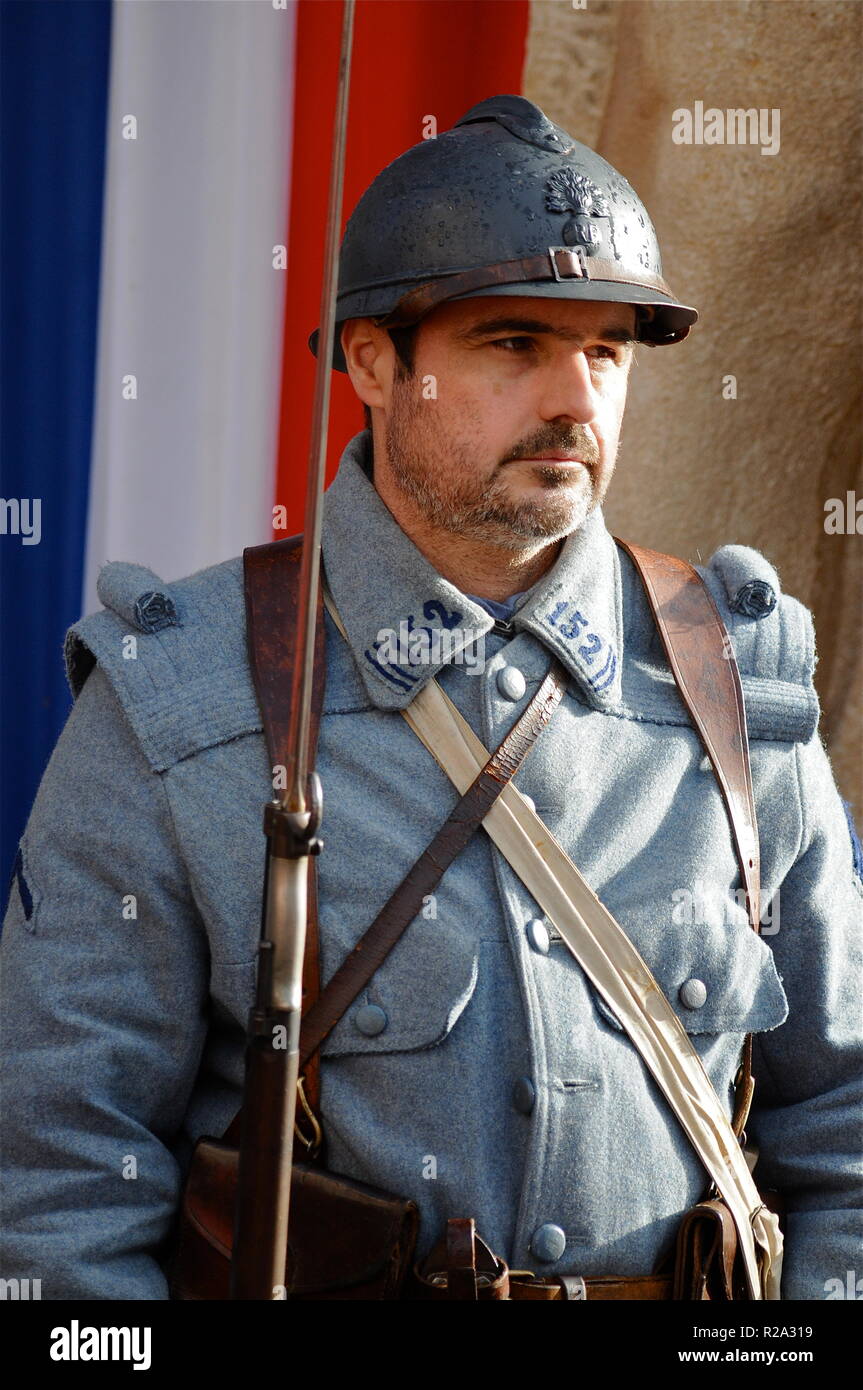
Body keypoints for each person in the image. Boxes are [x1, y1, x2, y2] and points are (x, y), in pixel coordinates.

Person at [1, 96, 860, 1301]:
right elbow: (60, 1186)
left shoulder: (735, 687)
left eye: (606, 349)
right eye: (513, 343)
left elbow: (844, 1133)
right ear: (370, 361)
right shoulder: (175, 700)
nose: (575, 397)